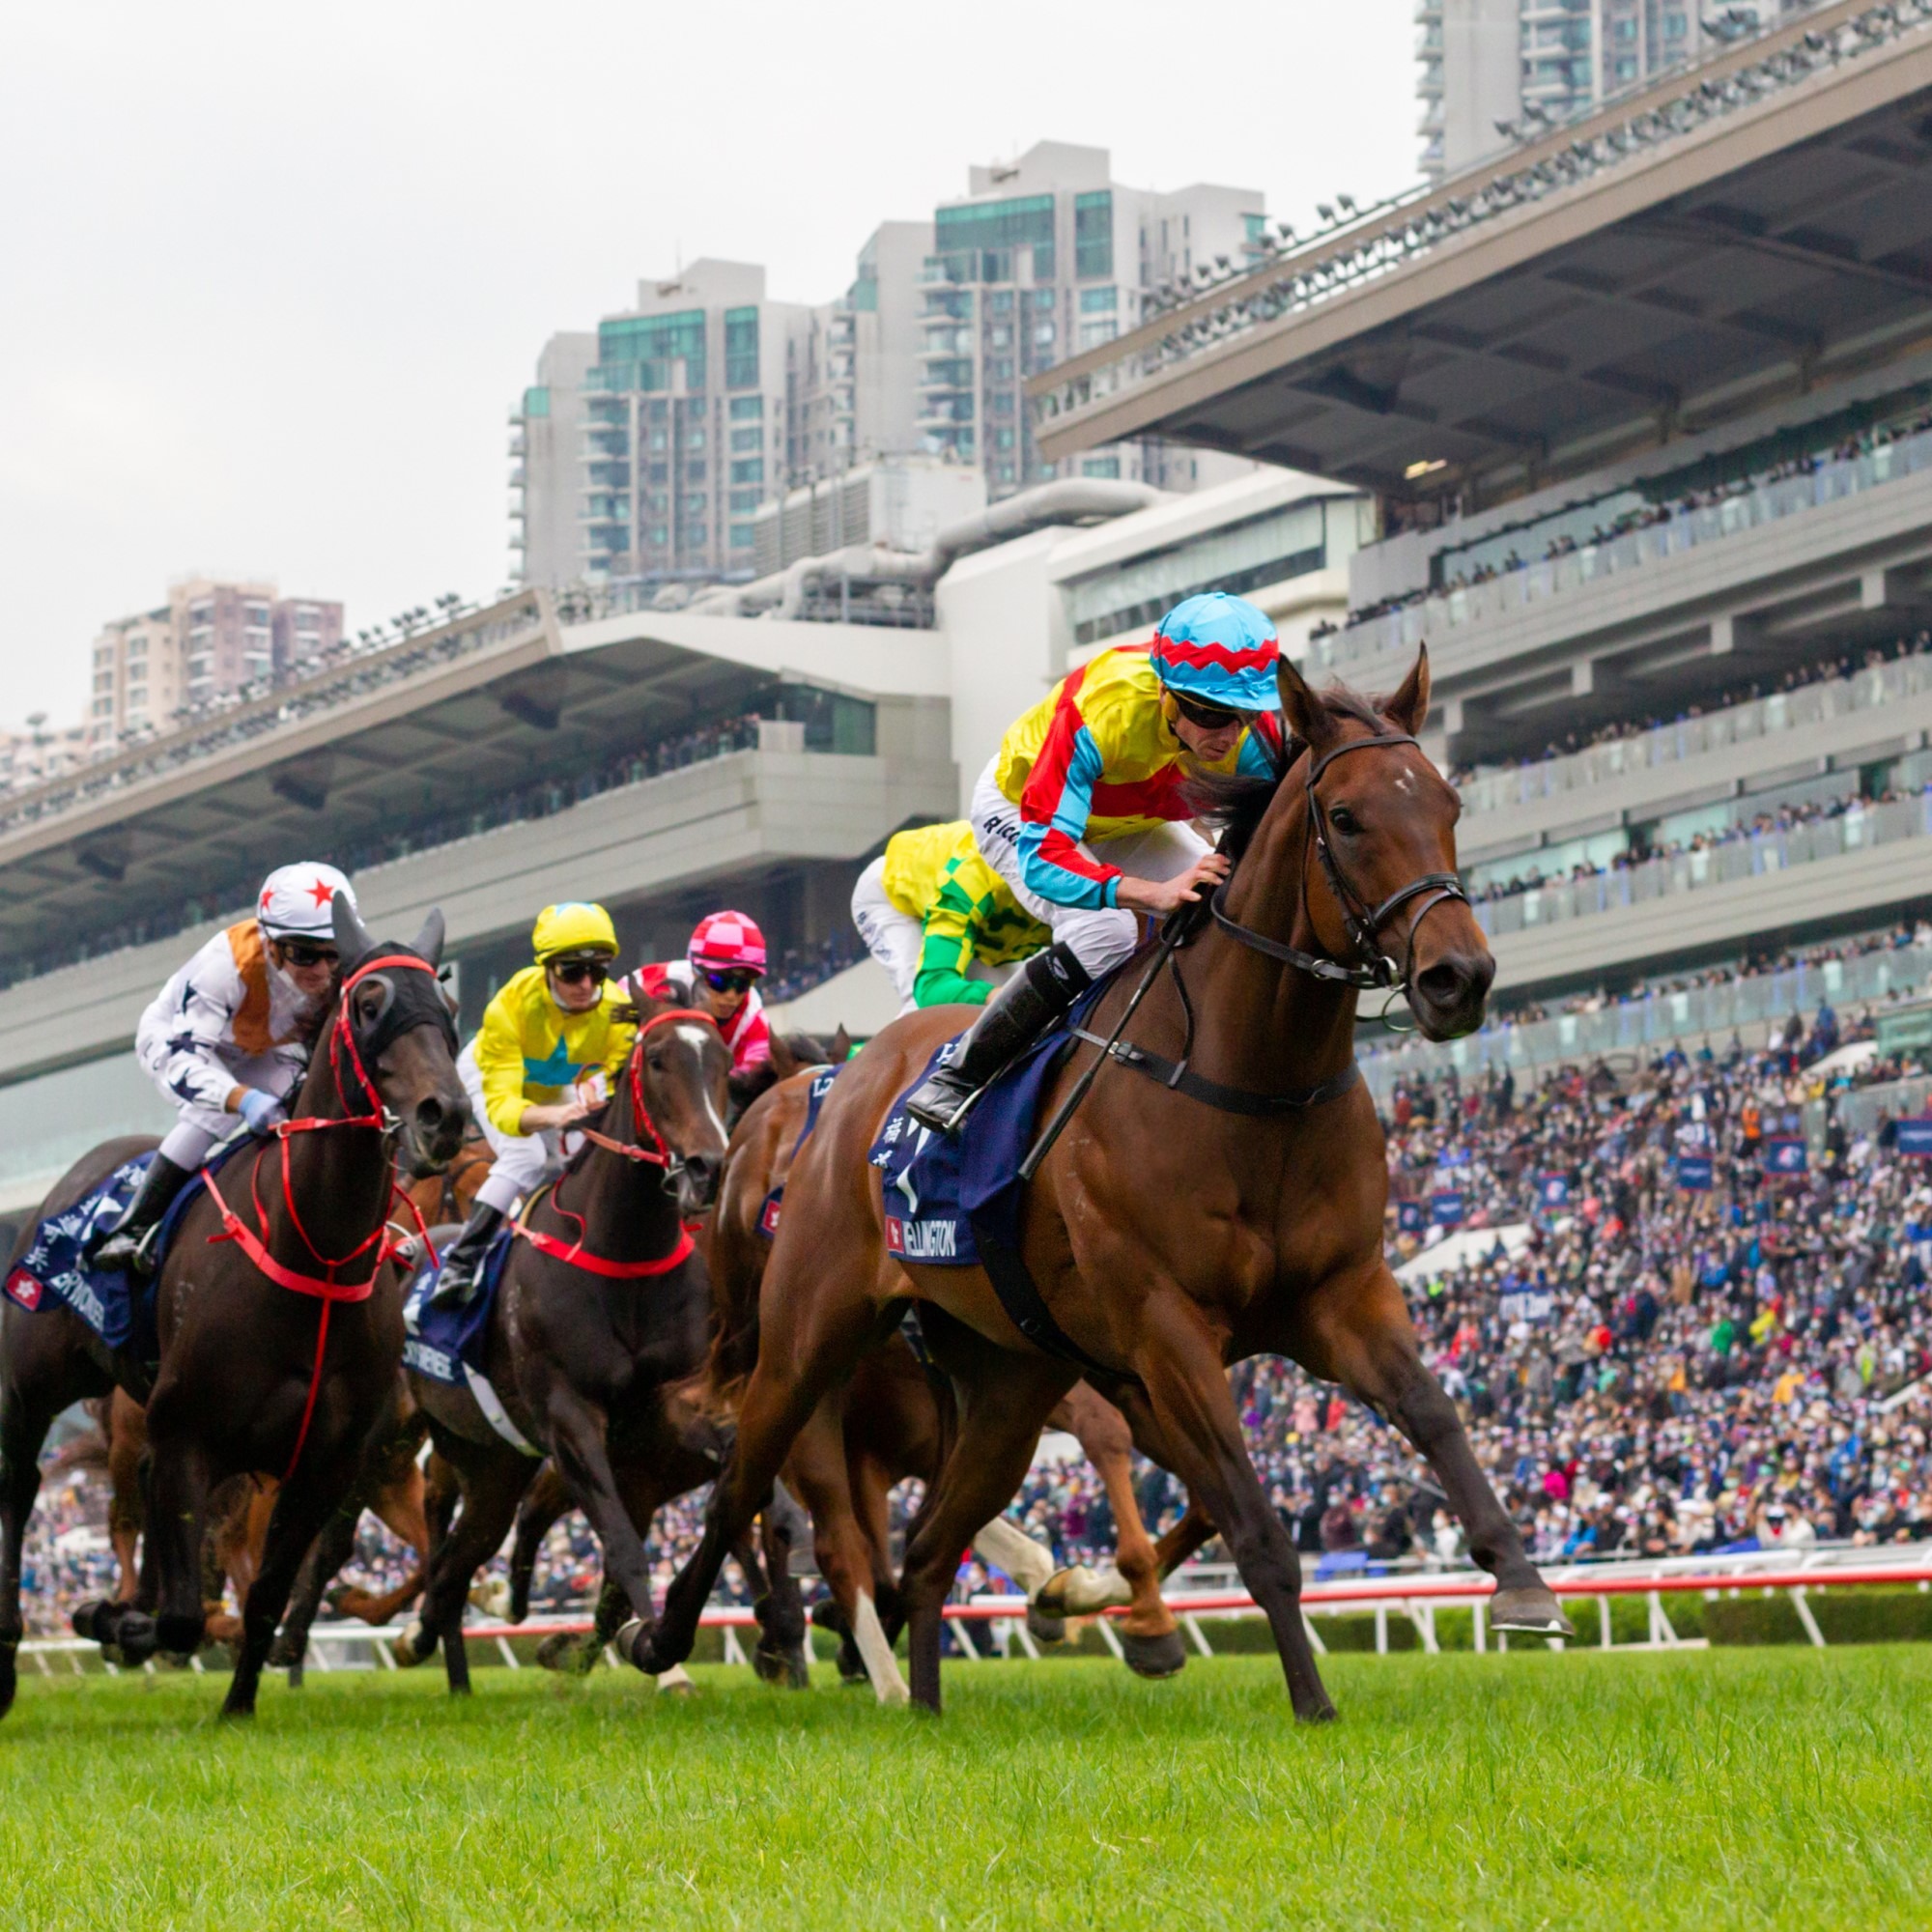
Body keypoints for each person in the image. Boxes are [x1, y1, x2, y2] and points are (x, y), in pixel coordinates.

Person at [906, 589, 1284, 1131]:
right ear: (1166, 693)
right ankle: (961, 1076)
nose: (1228, 734)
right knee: (1106, 931)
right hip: (1025, 813)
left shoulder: (1255, 739)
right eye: (1211, 713)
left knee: (1224, 898)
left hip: (1129, 822)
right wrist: (1149, 894)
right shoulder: (1101, 711)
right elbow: (1044, 860)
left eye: (1243, 715)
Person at [93, 863, 357, 1273]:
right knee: (211, 1117)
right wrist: (242, 1099)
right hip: (182, 1043)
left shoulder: (339, 971)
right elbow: (186, 1061)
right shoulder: (225, 964)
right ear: (271, 943)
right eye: (305, 955)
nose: (322, 971)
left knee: (310, 1107)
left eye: (333, 954)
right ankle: (133, 1226)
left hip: (264, 1046)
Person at [430, 901, 635, 1309]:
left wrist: (596, 1096)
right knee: (527, 1156)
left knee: (591, 1151)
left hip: (556, 1084)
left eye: (597, 972)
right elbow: (506, 1108)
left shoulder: (617, 1010)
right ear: (547, 969)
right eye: (572, 972)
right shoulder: (510, 1004)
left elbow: (615, 1078)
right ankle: (461, 1263)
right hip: (491, 1075)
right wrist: (553, 1116)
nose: (586, 984)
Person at [850, 819, 1050, 1015]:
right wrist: (994, 996)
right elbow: (931, 990)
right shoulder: (972, 880)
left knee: (1006, 1011)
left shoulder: (1062, 892)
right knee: (922, 1008)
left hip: (977, 920)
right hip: (893, 896)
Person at [629, 910, 772, 1099]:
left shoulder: (752, 1009)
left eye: (743, 984)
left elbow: (757, 1069)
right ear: (694, 971)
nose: (731, 996)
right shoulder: (649, 983)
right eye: (719, 981)